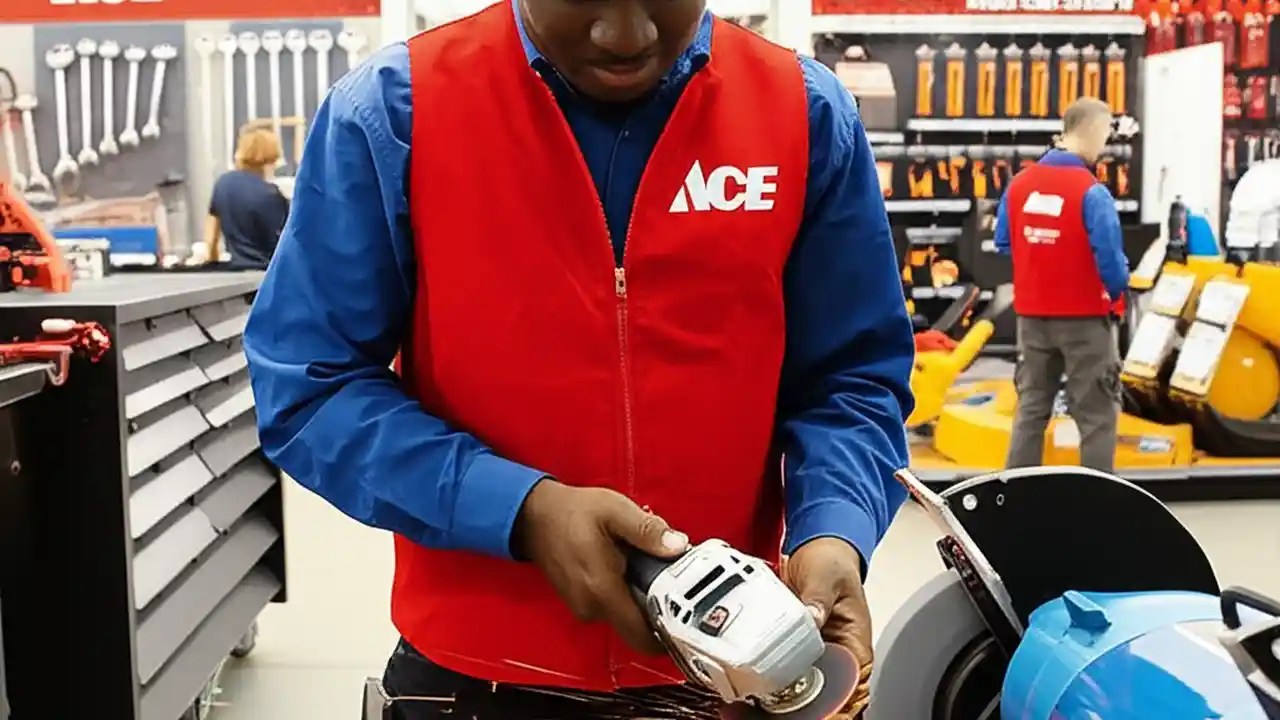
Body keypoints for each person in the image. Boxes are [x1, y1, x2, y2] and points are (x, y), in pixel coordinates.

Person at [242, 1, 914, 717]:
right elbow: (310, 386)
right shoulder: (393, 115)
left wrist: (834, 528)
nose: (625, 34)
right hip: (476, 683)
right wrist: (516, 510)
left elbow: (852, 377)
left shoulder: (801, 114)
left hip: (737, 678)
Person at [996, 96, 1131, 474]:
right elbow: (1112, 266)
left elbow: (1004, 241)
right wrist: (1121, 284)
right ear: (1091, 131)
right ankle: (1097, 503)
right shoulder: (1092, 192)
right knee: (1096, 415)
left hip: (1032, 319)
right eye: (1105, 135)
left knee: (1032, 408)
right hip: (1085, 322)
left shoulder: (1020, 185)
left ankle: (1016, 496)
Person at [205, 125, 289, 270]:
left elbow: (211, 238)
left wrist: (212, 262)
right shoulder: (271, 194)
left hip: (236, 272)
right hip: (266, 272)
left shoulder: (223, 183)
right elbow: (284, 243)